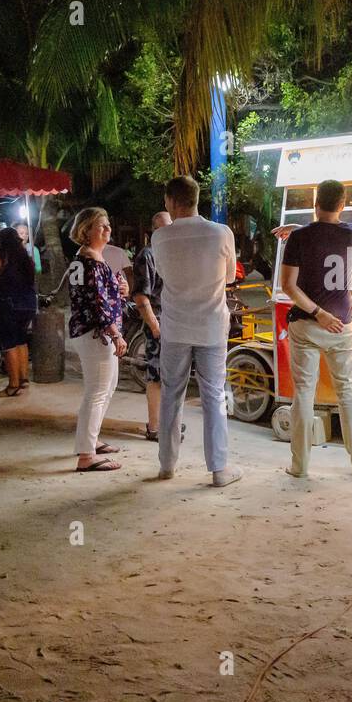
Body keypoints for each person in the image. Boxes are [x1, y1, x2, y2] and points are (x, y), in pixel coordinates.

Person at [276, 179, 352, 479]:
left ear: (314, 202)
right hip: (341, 325)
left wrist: (317, 313)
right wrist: (300, 229)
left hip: (308, 324)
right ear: (343, 205)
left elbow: (288, 287)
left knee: (304, 394)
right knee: (348, 393)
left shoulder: (299, 239)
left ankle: (299, 466)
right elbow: (326, 233)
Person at [150, 176, 241, 486]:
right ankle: (219, 470)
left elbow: (163, 274)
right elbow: (229, 278)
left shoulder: (160, 238)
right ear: (195, 199)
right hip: (212, 328)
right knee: (213, 395)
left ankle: (167, 465)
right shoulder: (220, 234)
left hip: (174, 328)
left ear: (172, 202)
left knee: (171, 395)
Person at [68, 207, 129, 472]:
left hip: (93, 332)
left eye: (107, 225)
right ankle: (86, 455)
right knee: (97, 391)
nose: (107, 230)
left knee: (105, 388)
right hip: (96, 333)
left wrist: (120, 287)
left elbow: (106, 293)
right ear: (86, 230)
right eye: (101, 226)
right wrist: (115, 333)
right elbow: (97, 302)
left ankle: (90, 441)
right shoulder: (89, 262)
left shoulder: (88, 259)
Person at [0, 227, 38, 397]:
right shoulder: (25, 257)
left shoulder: (3, 254)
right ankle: (24, 379)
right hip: (28, 303)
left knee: (8, 343)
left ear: (1, 240)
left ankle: (13, 385)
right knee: (21, 340)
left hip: (7, 302)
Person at [132, 210, 171, 440]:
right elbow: (141, 297)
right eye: (164, 228)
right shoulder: (147, 255)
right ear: (154, 231)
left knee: (170, 375)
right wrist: (155, 327)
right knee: (155, 374)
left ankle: (166, 422)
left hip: (173, 319)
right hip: (157, 318)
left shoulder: (173, 252)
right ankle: (154, 427)